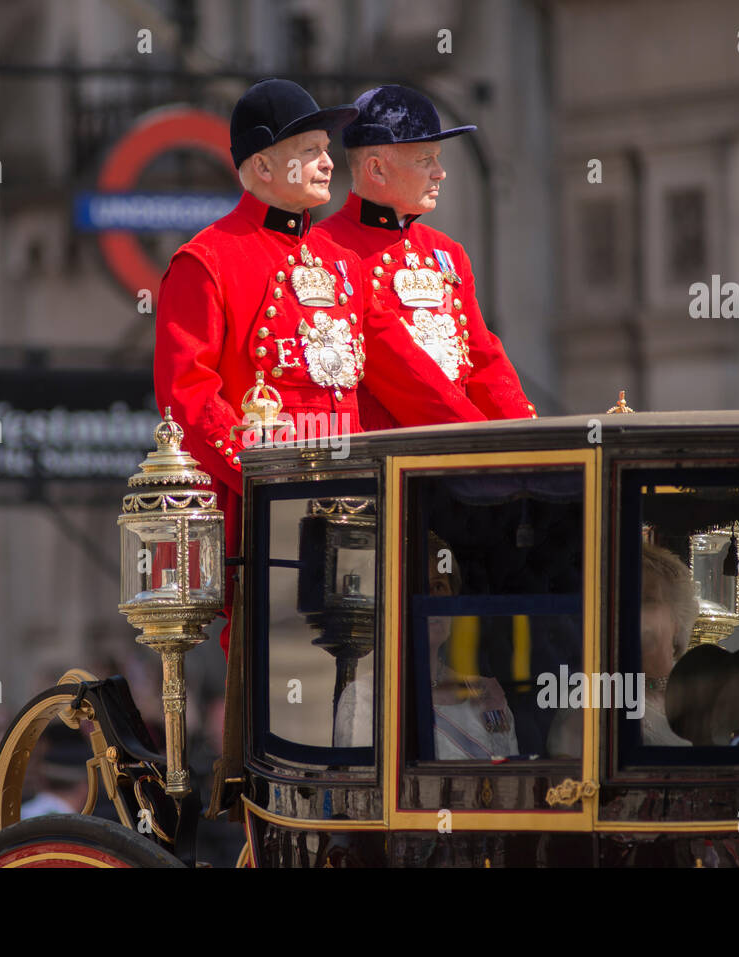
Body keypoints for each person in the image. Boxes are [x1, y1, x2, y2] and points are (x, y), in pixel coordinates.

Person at [155, 79, 364, 657]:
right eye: (310, 151)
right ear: (264, 166)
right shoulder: (206, 260)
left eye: (327, 149)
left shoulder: (341, 262)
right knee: (279, 672)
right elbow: (186, 396)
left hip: (354, 498)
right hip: (265, 510)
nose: (328, 163)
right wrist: (267, 475)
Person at [315, 85, 537, 431]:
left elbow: (483, 359)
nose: (440, 172)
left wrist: (529, 435)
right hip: (385, 456)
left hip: (455, 448)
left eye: (438, 157)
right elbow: (396, 372)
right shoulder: (324, 250)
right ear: (376, 169)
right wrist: (476, 438)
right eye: (425, 160)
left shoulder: (446, 252)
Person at [334, 532, 515, 758]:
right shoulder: (366, 697)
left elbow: (508, 774)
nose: (431, 600)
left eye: (439, 586)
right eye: (418, 588)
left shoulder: (487, 695)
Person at [639, 543, 697, 746]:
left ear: (677, 619)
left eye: (648, 600)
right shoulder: (594, 702)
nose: (634, 613)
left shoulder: (700, 692)